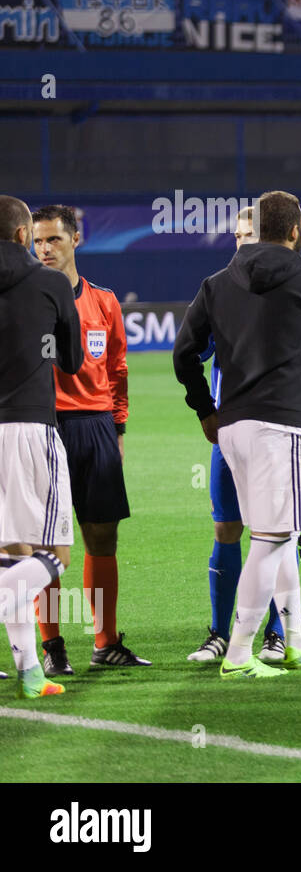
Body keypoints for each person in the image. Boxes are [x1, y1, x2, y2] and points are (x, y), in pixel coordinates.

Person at [174, 190, 301, 679]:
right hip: (279, 429)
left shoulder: (217, 283)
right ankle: (241, 652)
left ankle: (295, 640)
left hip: (233, 429)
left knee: (281, 536)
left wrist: (205, 410)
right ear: (294, 232)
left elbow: (184, 355)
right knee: (271, 539)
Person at [187, 206, 301, 664]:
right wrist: (206, 410)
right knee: (230, 527)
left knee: (275, 535)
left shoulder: (296, 289)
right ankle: (222, 633)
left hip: (279, 428)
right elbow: (196, 348)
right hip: (236, 429)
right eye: (235, 236)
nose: (240, 243)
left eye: (248, 234)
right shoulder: (223, 288)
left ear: (269, 236)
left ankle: (273, 637)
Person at [31, 205, 148, 672]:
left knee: (102, 536)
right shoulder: (27, 300)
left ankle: (105, 642)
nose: (44, 250)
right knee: (44, 543)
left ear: (75, 240)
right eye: (37, 241)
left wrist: (117, 429)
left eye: (53, 240)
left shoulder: (104, 301)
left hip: (96, 427)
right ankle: (53, 646)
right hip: (45, 426)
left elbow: (117, 369)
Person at [0, 194, 81, 698]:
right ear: (22, 235)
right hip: (29, 428)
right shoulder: (50, 283)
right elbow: (70, 360)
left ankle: (31, 672)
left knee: (12, 554)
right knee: (57, 552)